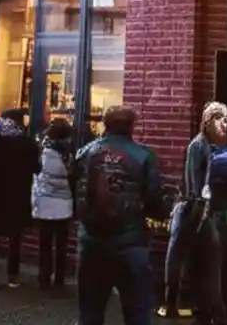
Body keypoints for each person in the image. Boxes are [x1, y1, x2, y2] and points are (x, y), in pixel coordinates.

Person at [73, 106, 168, 325]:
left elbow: (74, 191)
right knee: (136, 312)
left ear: (106, 124)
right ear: (131, 126)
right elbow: (154, 200)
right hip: (130, 243)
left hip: (91, 242)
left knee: (89, 312)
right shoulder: (144, 156)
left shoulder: (85, 152)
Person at [185, 102, 227, 325]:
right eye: (219, 117)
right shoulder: (199, 146)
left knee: (224, 272)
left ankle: (214, 315)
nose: (225, 122)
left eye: (226, 117)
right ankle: (217, 317)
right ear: (208, 121)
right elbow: (195, 186)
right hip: (209, 217)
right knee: (211, 273)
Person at [0, 107, 39, 292]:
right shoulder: (27, 143)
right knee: (15, 238)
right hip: (17, 195)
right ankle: (13, 275)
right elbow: (36, 167)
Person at [33, 117, 75, 290]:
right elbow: (73, 176)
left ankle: (44, 277)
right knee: (61, 244)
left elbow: (37, 172)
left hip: (45, 200)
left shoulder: (42, 150)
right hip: (64, 202)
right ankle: (59, 279)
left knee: (45, 243)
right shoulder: (69, 153)